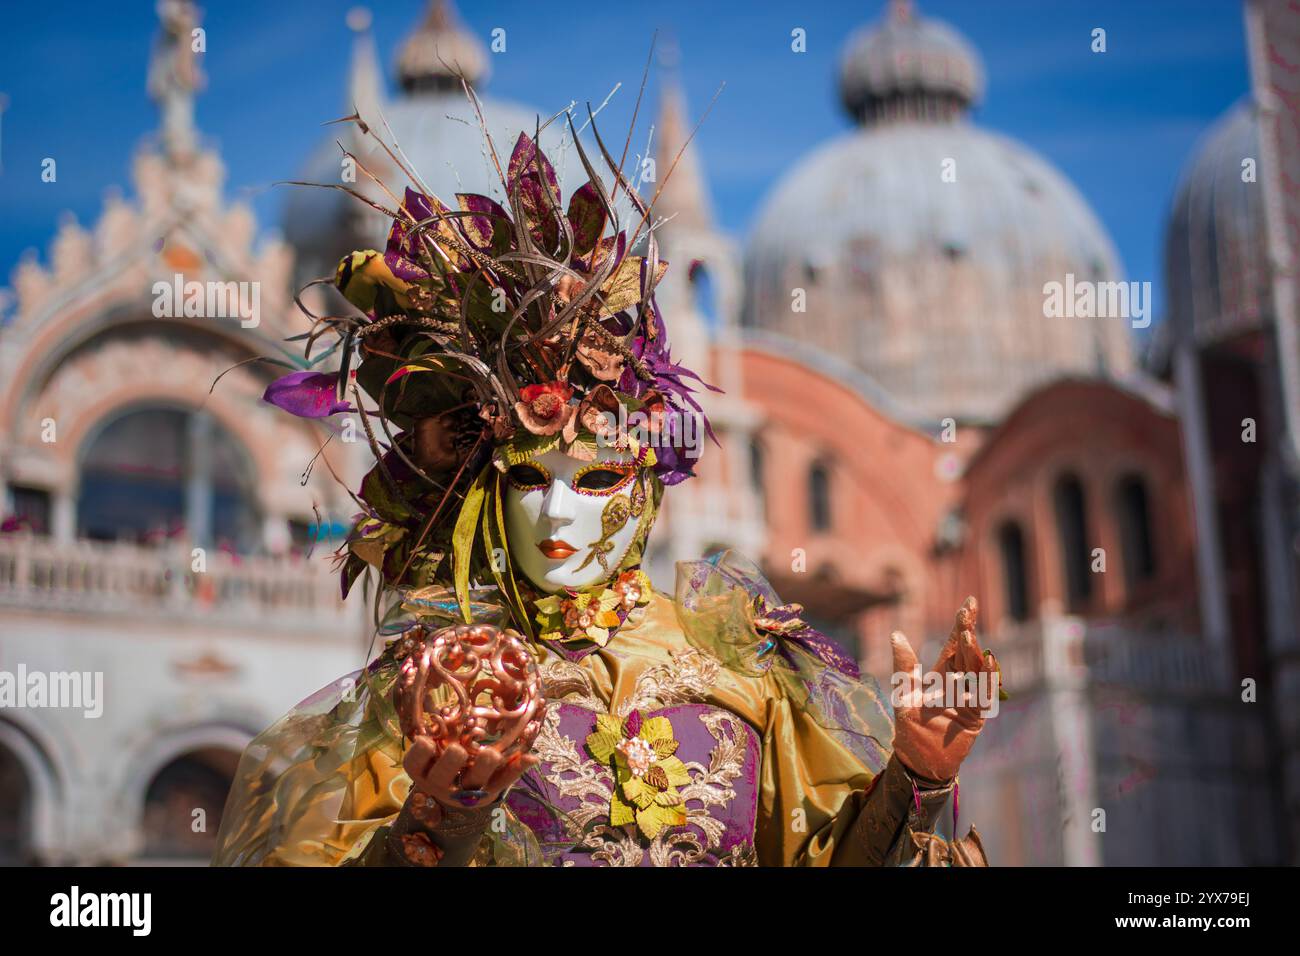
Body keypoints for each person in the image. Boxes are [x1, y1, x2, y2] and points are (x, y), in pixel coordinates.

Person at [212, 114, 995, 867]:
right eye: (526, 480)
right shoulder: (439, 686)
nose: (557, 512)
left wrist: (917, 777)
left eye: (594, 480)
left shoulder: (749, 670)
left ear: (648, 492)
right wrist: (436, 821)